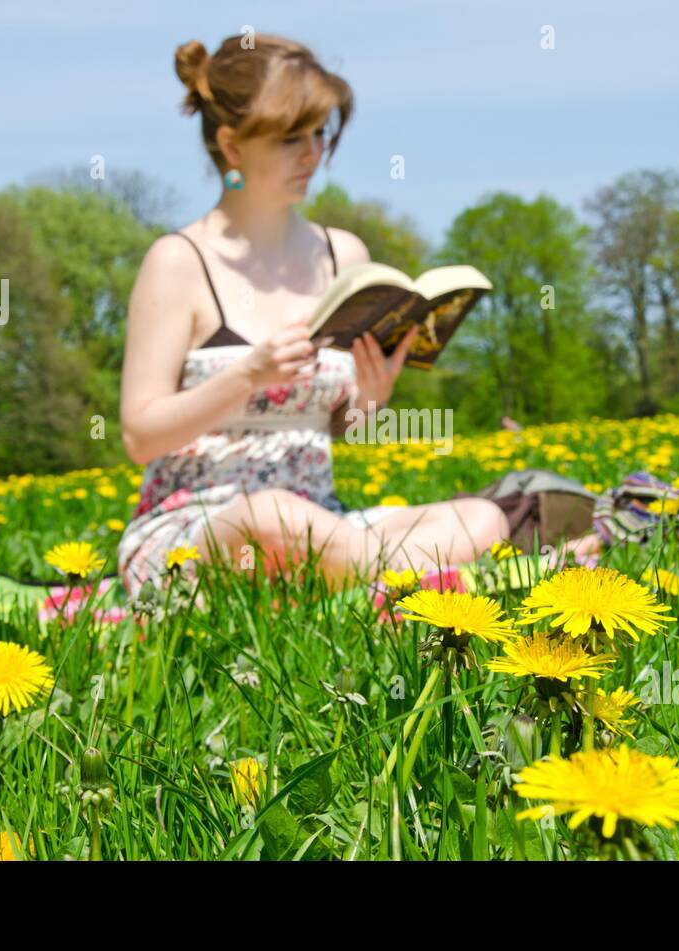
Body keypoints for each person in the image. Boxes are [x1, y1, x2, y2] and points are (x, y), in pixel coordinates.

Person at [117, 34, 511, 599]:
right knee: (272, 517)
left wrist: (368, 403)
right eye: (290, 138)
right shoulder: (178, 262)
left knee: (480, 518)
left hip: (322, 521)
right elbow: (140, 435)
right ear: (232, 146)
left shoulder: (343, 255)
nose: (313, 154)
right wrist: (247, 376)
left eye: (320, 133)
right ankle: (408, 584)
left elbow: (338, 426)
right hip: (196, 534)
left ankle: (364, 578)